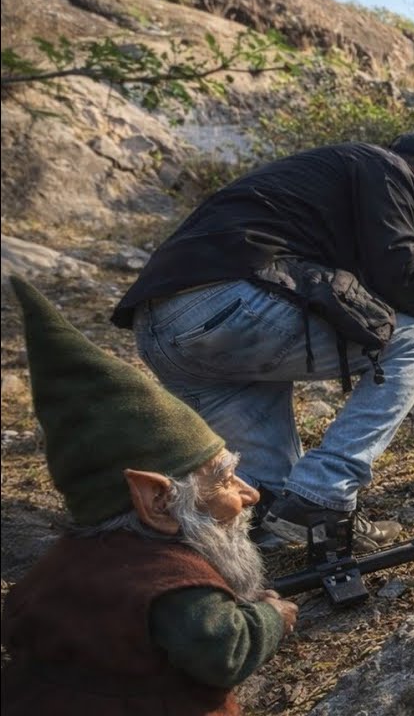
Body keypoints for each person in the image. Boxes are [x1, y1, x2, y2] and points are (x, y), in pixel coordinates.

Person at [110, 132, 414, 552]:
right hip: (222, 305)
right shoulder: (385, 167)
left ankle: (221, 526)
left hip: (161, 331)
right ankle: (326, 494)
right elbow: (399, 271)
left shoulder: (325, 190)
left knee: (274, 503)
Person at [2, 276, 298, 715]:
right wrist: (271, 618)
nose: (250, 494)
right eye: (225, 479)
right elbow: (223, 650)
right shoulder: (170, 581)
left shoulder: (54, 567)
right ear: (157, 501)